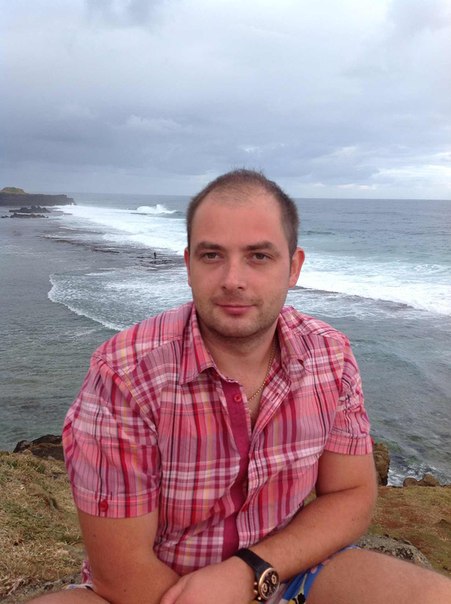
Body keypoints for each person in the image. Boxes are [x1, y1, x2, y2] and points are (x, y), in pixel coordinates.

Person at [30, 170, 451, 604]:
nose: (233, 279)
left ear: (294, 267)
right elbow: (122, 573)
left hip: (285, 572)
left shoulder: (330, 356)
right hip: (157, 591)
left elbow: (351, 494)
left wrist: (252, 569)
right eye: (212, 255)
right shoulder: (125, 374)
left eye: (259, 256)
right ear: (188, 265)